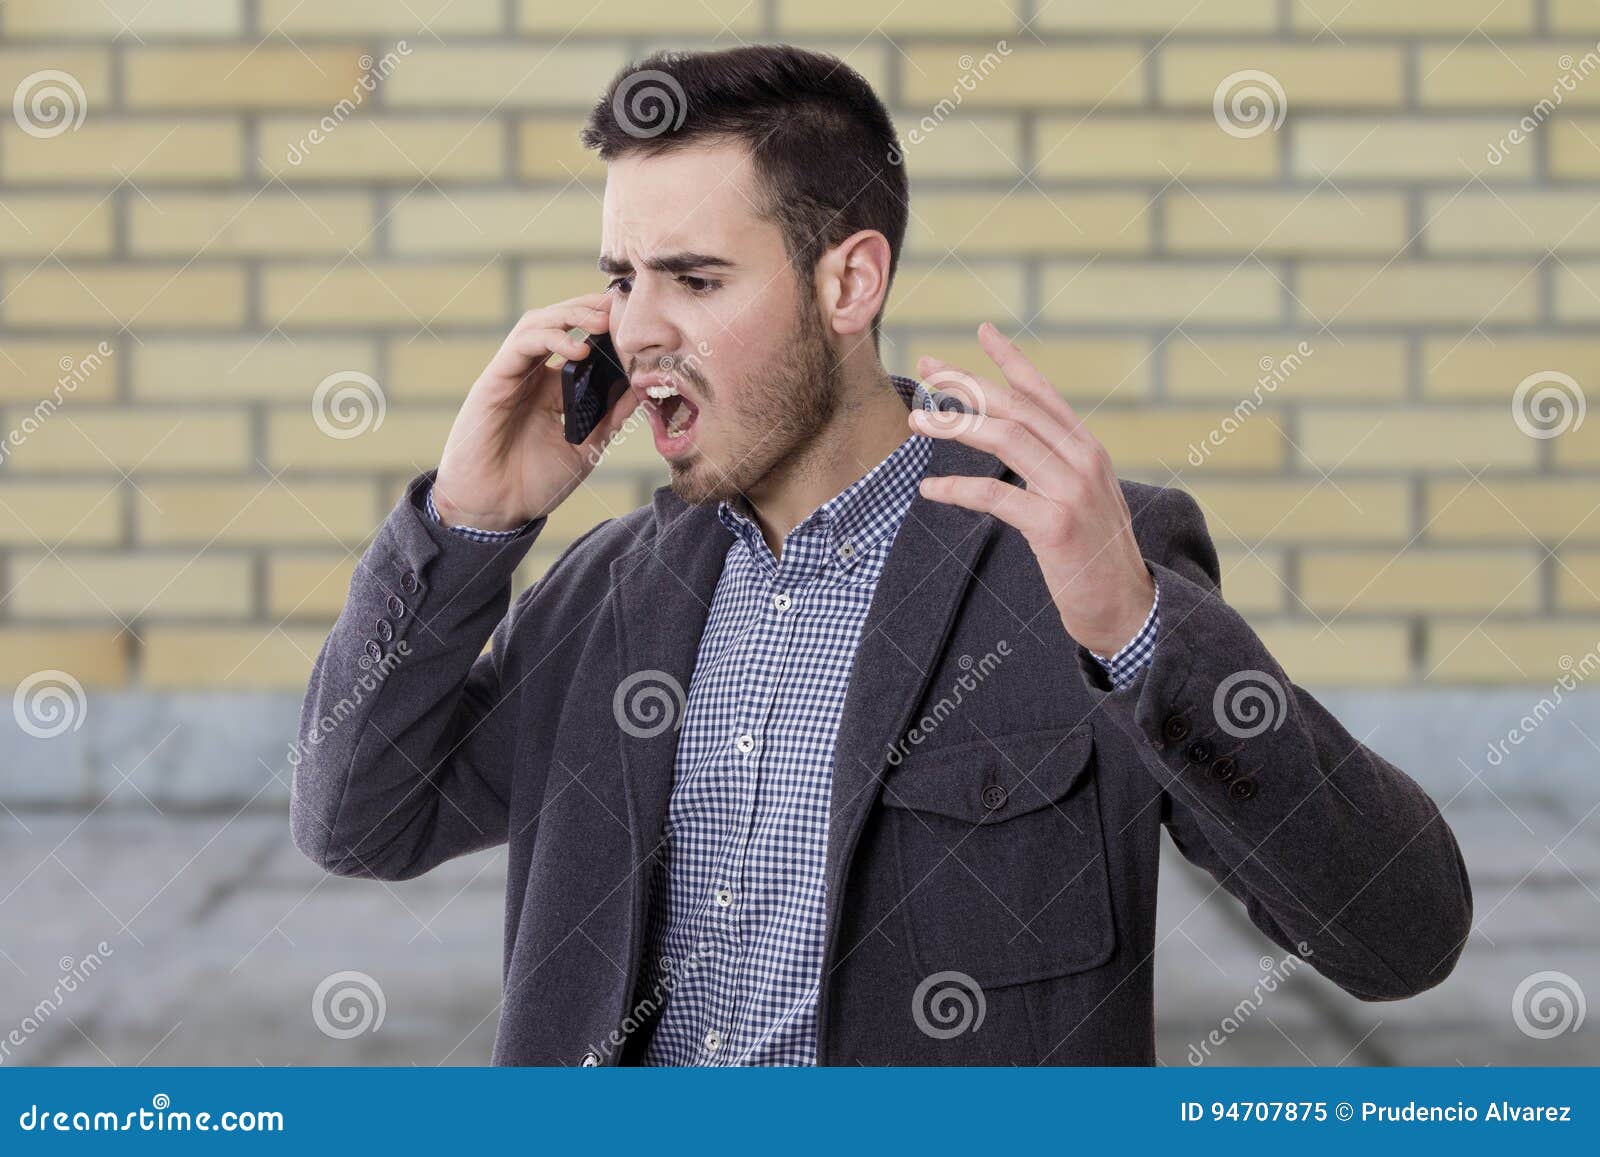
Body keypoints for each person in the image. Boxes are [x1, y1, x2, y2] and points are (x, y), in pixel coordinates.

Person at [291, 43, 1471, 1066]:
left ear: (848, 280)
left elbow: (1395, 930)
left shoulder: (1064, 560)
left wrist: (1135, 629)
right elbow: (355, 819)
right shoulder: (604, 590)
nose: (636, 326)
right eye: (620, 278)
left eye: (695, 279)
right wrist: (465, 523)